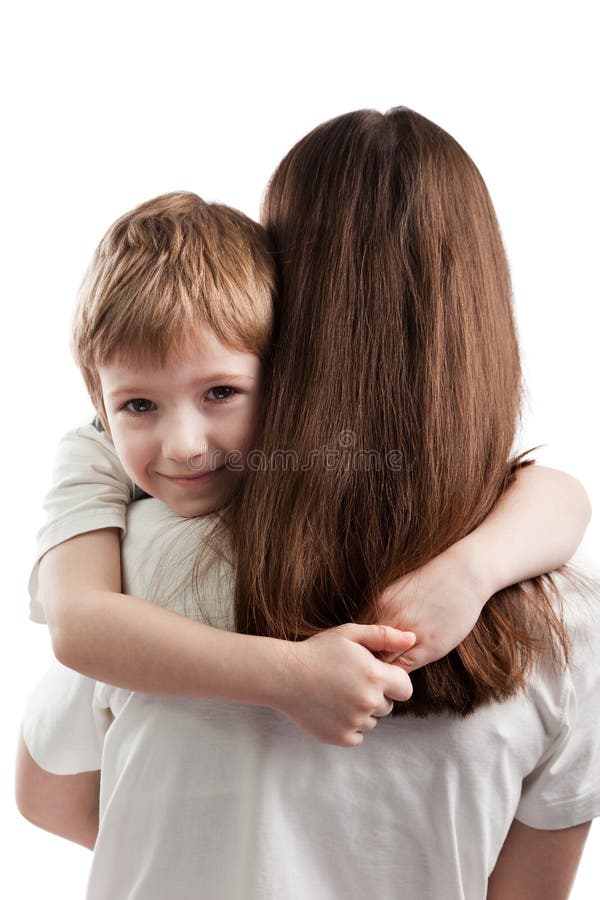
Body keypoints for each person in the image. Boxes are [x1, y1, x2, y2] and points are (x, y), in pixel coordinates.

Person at [17, 109, 599, 898]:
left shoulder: (146, 557)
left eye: (220, 391)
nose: (184, 445)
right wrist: (471, 572)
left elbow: (47, 793)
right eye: (138, 406)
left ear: (286, 309)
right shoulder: (562, 622)